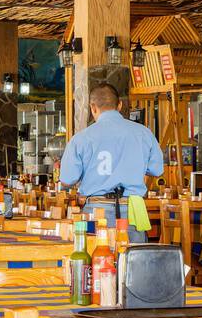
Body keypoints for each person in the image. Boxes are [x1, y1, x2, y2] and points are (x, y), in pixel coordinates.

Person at [59, 83, 164, 241]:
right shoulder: (143, 133)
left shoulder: (80, 139)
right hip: (133, 210)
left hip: (96, 210)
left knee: (96, 261)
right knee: (133, 261)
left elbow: (67, 179)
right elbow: (157, 170)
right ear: (120, 105)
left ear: (93, 108)